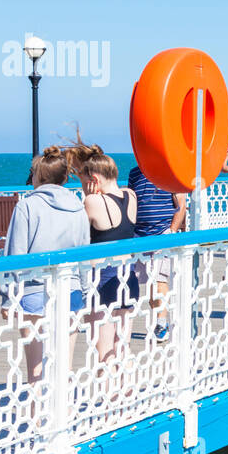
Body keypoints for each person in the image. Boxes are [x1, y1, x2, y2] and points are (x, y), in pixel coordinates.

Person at [2, 146, 91, 382]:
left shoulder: (27, 206)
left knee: (35, 369)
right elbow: (84, 256)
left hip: (33, 289)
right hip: (70, 289)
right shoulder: (78, 207)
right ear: (64, 177)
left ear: (39, 176)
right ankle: (65, 414)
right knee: (65, 364)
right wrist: (85, 290)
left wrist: (8, 296)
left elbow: (15, 256)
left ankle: (37, 417)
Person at [71, 139, 140, 365]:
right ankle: (125, 391)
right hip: (128, 275)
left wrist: (87, 197)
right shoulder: (131, 195)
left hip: (102, 278)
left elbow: (78, 236)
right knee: (122, 345)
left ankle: (108, 393)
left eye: (82, 181)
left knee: (103, 350)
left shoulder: (91, 201)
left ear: (94, 180)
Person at [127, 165, 187, 340]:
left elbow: (181, 205)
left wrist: (172, 231)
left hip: (162, 234)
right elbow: (132, 202)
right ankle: (127, 320)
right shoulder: (135, 172)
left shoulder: (170, 170)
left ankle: (161, 323)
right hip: (138, 236)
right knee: (136, 281)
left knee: (159, 279)